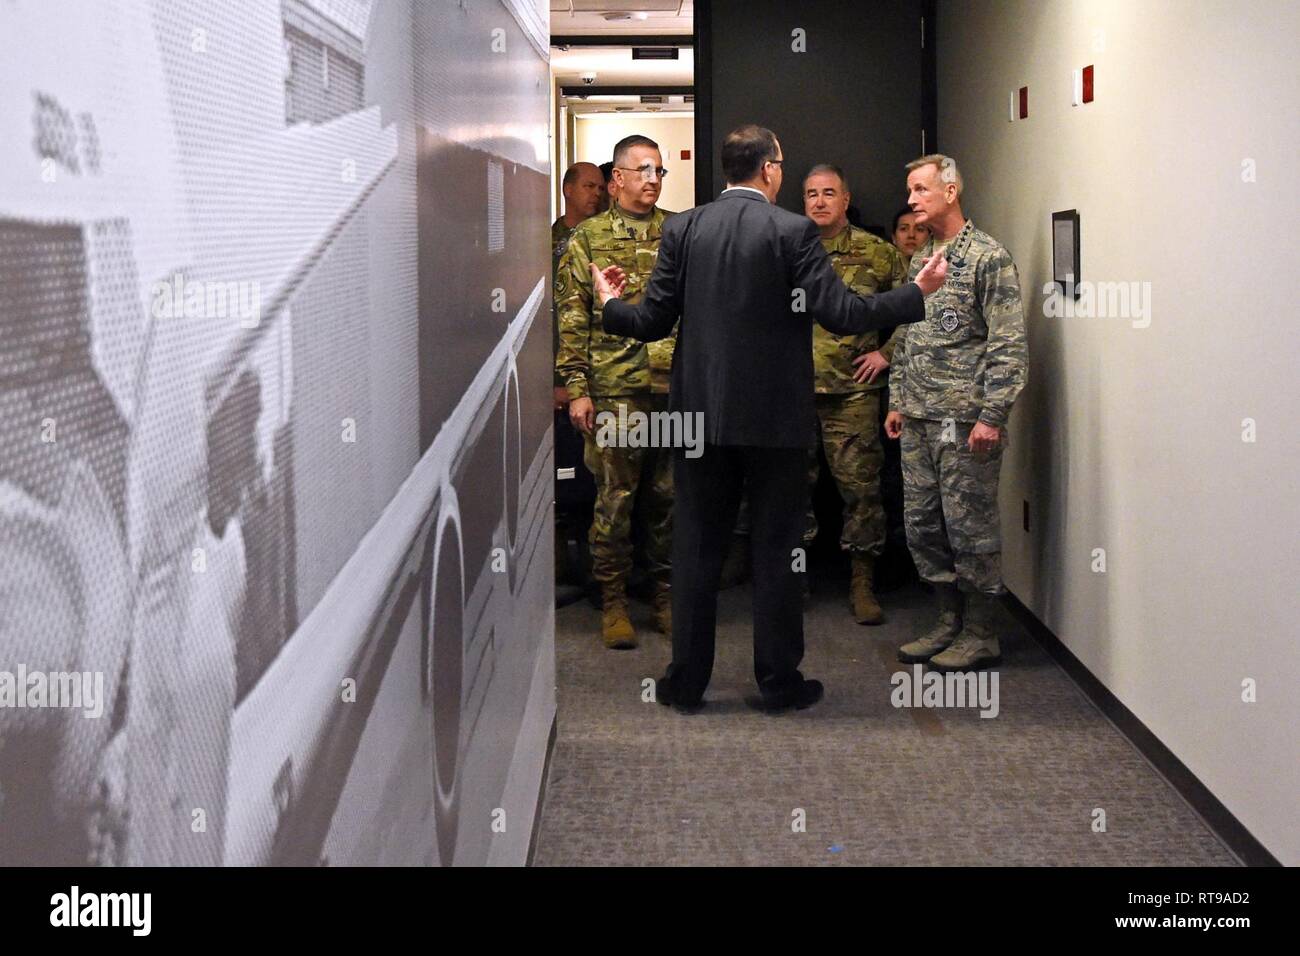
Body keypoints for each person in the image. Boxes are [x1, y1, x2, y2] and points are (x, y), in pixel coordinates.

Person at [594, 124, 948, 713]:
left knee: (696, 551)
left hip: (698, 422)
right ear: (769, 170)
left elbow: (651, 321)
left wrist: (610, 305)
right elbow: (841, 312)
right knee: (778, 553)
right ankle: (778, 682)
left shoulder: (684, 228)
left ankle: (685, 683)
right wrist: (916, 293)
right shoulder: (792, 231)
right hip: (776, 426)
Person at [886, 154, 1027, 672]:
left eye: (920, 190)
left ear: (950, 191)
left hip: (965, 421)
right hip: (919, 417)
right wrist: (898, 397)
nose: (911, 200)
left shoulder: (988, 257)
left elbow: (1009, 344)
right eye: (910, 191)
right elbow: (908, 331)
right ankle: (947, 621)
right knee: (923, 525)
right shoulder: (921, 256)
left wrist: (993, 415)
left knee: (970, 527)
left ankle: (982, 630)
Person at [555, 136, 677, 648]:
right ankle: (614, 600)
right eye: (641, 169)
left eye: (659, 170)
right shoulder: (588, 238)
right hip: (614, 391)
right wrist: (577, 387)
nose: (652, 178)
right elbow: (572, 316)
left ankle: (669, 593)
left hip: (674, 388)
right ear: (616, 181)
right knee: (616, 498)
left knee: (669, 498)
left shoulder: (680, 231)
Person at [801, 164, 908, 624]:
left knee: (862, 490)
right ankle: (794, 576)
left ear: (846, 199)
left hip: (853, 393)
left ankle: (862, 583)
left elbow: (916, 307)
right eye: (811, 194)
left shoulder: (877, 253)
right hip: (793, 392)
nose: (820, 202)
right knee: (789, 492)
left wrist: (887, 353)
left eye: (829, 193)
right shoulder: (788, 250)